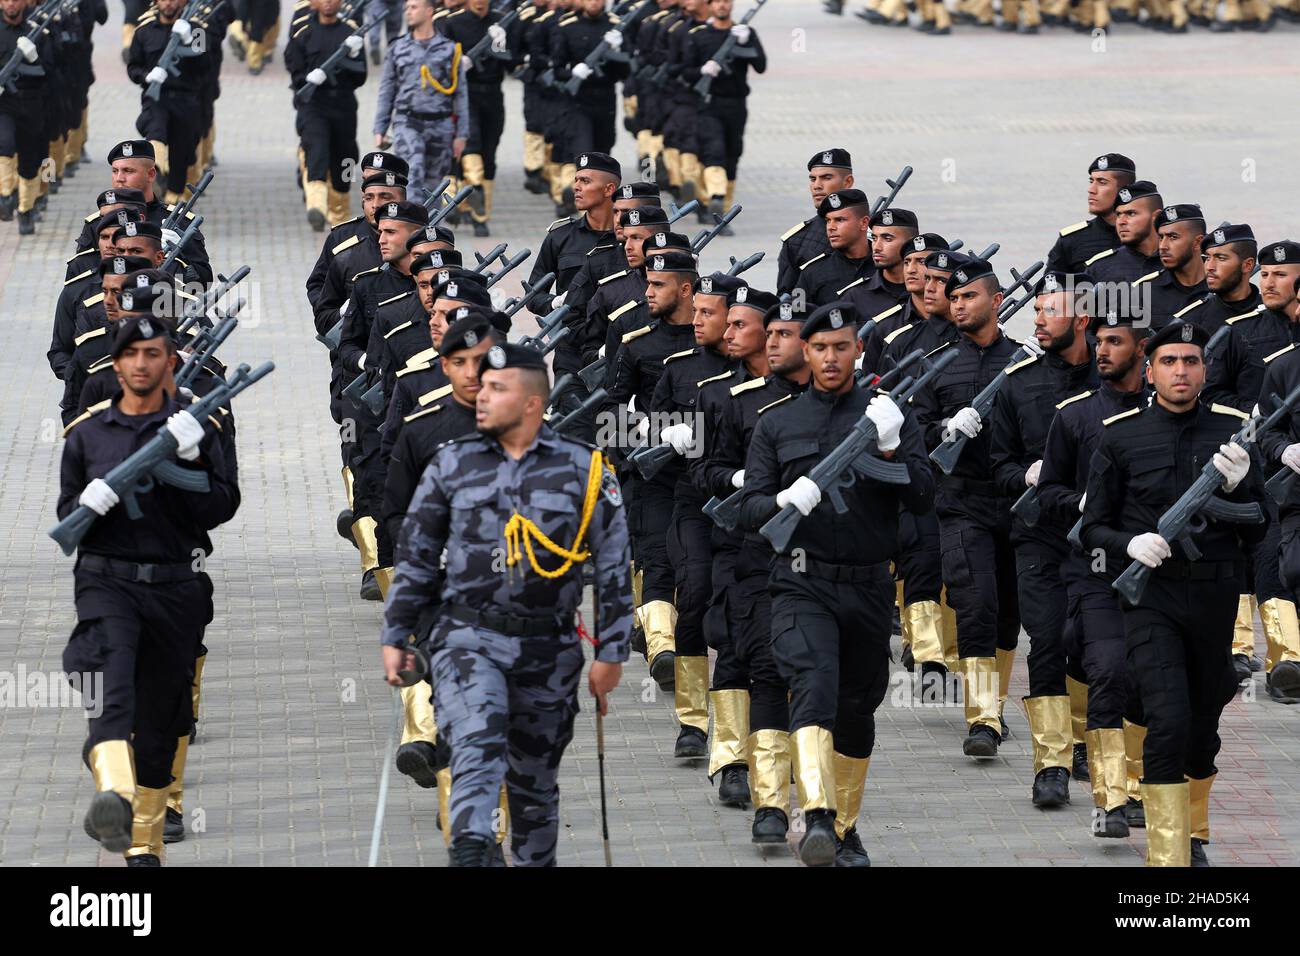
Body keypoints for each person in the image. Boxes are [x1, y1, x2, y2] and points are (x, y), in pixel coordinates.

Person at [380, 341, 633, 867]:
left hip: (551, 646)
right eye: (482, 386)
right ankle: (471, 848)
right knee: (475, 745)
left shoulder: (584, 471)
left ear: (532, 403)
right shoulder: (451, 464)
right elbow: (417, 555)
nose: (482, 396)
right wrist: (396, 634)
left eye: (497, 389)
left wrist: (611, 652)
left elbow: (613, 565)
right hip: (468, 638)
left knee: (535, 788)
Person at [739, 300, 934, 867]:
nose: (829, 357)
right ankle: (817, 815)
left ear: (858, 350)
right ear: (805, 349)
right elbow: (748, 507)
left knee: (857, 707)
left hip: (870, 585)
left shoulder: (887, 414)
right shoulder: (777, 422)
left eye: (840, 347)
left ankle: (844, 830)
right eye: (820, 347)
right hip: (802, 582)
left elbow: (922, 495)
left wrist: (894, 444)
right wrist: (781, 499)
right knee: (814, 683)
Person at [59, 304, 239, 866]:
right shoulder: (87, 433)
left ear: (170, 362)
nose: (141, 364)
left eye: (152, 354)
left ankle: (144, 845)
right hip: (105, 581)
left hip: (174, 583)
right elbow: (66, 509)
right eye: (130, 354)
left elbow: (221, 506)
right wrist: (87, 502)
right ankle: (113, 795)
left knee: (162, 726)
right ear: (115, 364)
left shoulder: (196, 427)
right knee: (112, 695)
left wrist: (189, 455)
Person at [1080, 320, 1265, 867]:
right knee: (1169, 718)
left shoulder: (1233, 434)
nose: (1180, 371)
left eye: (1190, 360)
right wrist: (1129, 544)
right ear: (1150, 369)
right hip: (1150, 599)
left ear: (1205, 369)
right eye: (1169, 361)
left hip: (1215, 596)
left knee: (1204, 721)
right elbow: (1092, 527)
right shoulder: (1120, 434)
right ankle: (1168, 854)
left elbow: (1260, 524)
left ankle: (1193, 832)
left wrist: (1238, 486)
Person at [1037, 306, 1151, 837]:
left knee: (1154, 685)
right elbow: (1049, 492)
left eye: (1117, 342)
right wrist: (1082, 504)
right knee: (1109, 670)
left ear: (1142, 351)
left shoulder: (1169, 412)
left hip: (1164, 576)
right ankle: (1111, 797)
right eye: (1100, 341)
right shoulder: (1076, 415)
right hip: (1097, 569)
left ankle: (1146, 783)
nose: (1102, 351)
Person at [911, 257, 1029, 756]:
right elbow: (911, 432)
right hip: (960, 503)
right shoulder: (935, 363)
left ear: (996, 301)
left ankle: (995, 704)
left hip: (1018, 504)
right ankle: (982, 719)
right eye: (953, 298)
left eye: (968, 297)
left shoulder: (1025, 362)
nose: (958, 305)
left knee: (1008, 615)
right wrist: (944, 429)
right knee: (976, 604)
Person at [988, 271, 1098, 808]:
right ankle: (1050, 762)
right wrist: (1027, 474)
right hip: (1040, 535)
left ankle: (1080, 738)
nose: (1037, 320)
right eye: (1035, 312)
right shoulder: (1019, 382)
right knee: (1049, 640)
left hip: (1101, 537)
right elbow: (998, 466)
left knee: (1086, 642)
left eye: (1048, 311)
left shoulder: (1114, 378)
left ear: (1081, 318)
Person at [373, 0, 469, 206]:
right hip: (407, 121)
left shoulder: (449, 49)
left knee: (434, 185)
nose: (408, 12)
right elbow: (387, 90)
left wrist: (461, 134)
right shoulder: (397, 48)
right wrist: (380, 127)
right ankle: (415, 229)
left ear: (429, 11)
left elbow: (460, 94)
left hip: (440, 124)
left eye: (414, 7)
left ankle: (429, 232)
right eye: (407, 8)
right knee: (413, 172)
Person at [679, 0, 766, 222]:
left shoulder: (745, 32)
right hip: (709, 104)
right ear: (709, 6)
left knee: (732, 154)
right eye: (717, 1)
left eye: (726, 1)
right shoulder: (699, 35)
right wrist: (702, 70)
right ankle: (714, 199)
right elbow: (684, 72)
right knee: (713, 150)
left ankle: (722, 210)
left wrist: (747, 43)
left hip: (736, 104)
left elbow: (760, 66)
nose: (722, 6)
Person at [285, 0, 368, 229]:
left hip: (343, 105)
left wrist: (352, 56)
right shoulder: (303, 30)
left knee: (348, 157)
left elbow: (361, 76)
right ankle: (316, 206)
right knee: (317, 151)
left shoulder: (351, 31)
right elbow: (293, 67)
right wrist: (308, 78)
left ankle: (341, 210)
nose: (329, 2)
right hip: (314, 105)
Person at [1045, 153, 1135, 274]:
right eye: (1091, 181)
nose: (1091, 189)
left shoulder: (1151, 237)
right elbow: (1050, 289)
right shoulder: (1072, 240)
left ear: (1125, 190)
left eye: (1102, 182)